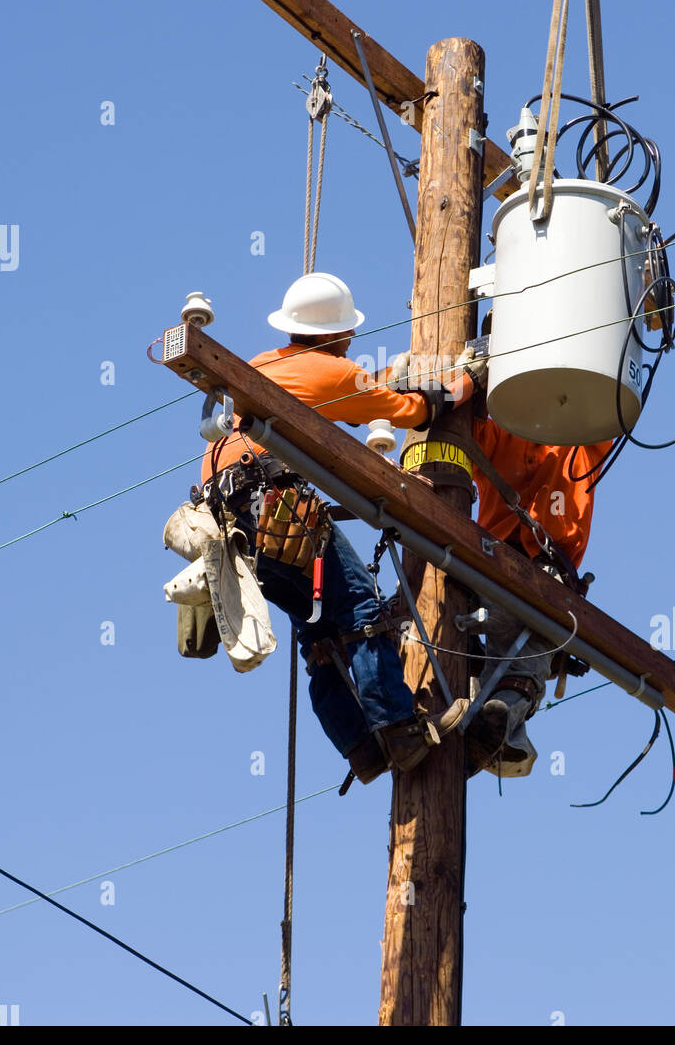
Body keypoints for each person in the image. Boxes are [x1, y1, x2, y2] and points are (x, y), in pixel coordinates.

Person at [200, 271, 478, 786]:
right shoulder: (332, 371)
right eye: (347, 333)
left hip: (230, 523)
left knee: (319, 633)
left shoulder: (264, 365)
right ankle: (400, 731)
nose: (351, 341)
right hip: (275, 509)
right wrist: (462, 386)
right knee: (361, 609)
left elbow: (344, 409)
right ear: (335, 334)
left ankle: (360, 749)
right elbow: (411, 409)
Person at [464, 416, 613, 777]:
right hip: (505, 568)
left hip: (508, 571)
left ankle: (488, 723)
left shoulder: (580, 440)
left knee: (509, 659)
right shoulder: (572, 439)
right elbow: (462, 436)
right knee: (524, 658)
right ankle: (493, 722)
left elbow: (607, 414)